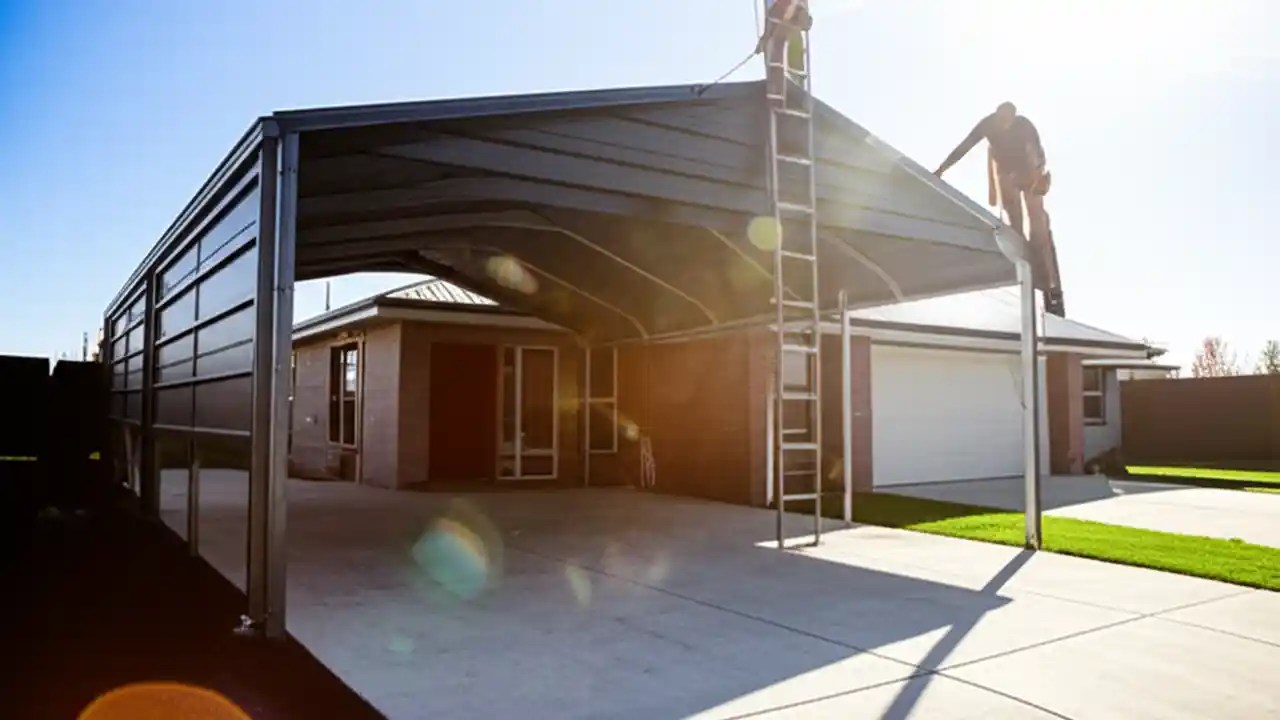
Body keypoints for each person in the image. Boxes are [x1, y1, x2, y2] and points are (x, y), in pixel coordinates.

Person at [934, 102, 1065, 314]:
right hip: (1007, 173)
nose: (1004, 125)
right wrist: (942, 168)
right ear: (996, 117)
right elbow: (965, 146)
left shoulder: (1025, 127)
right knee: (1014, 217)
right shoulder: (987, 125)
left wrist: (1037, 179)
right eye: (1001, 121)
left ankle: (1046, 274)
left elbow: (1036, 153)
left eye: (1007, 122)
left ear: (1014, 118)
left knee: (1036, 218)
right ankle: (1022, 251)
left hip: (1030, 170)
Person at [754, 0, 812, 108]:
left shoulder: (790, 7)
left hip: (790, 43)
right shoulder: (773, 12)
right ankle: (778, 96)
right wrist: (764, 41)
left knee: (795, 77)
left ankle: (795, 98)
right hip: (780, 48)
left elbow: (805, 21)